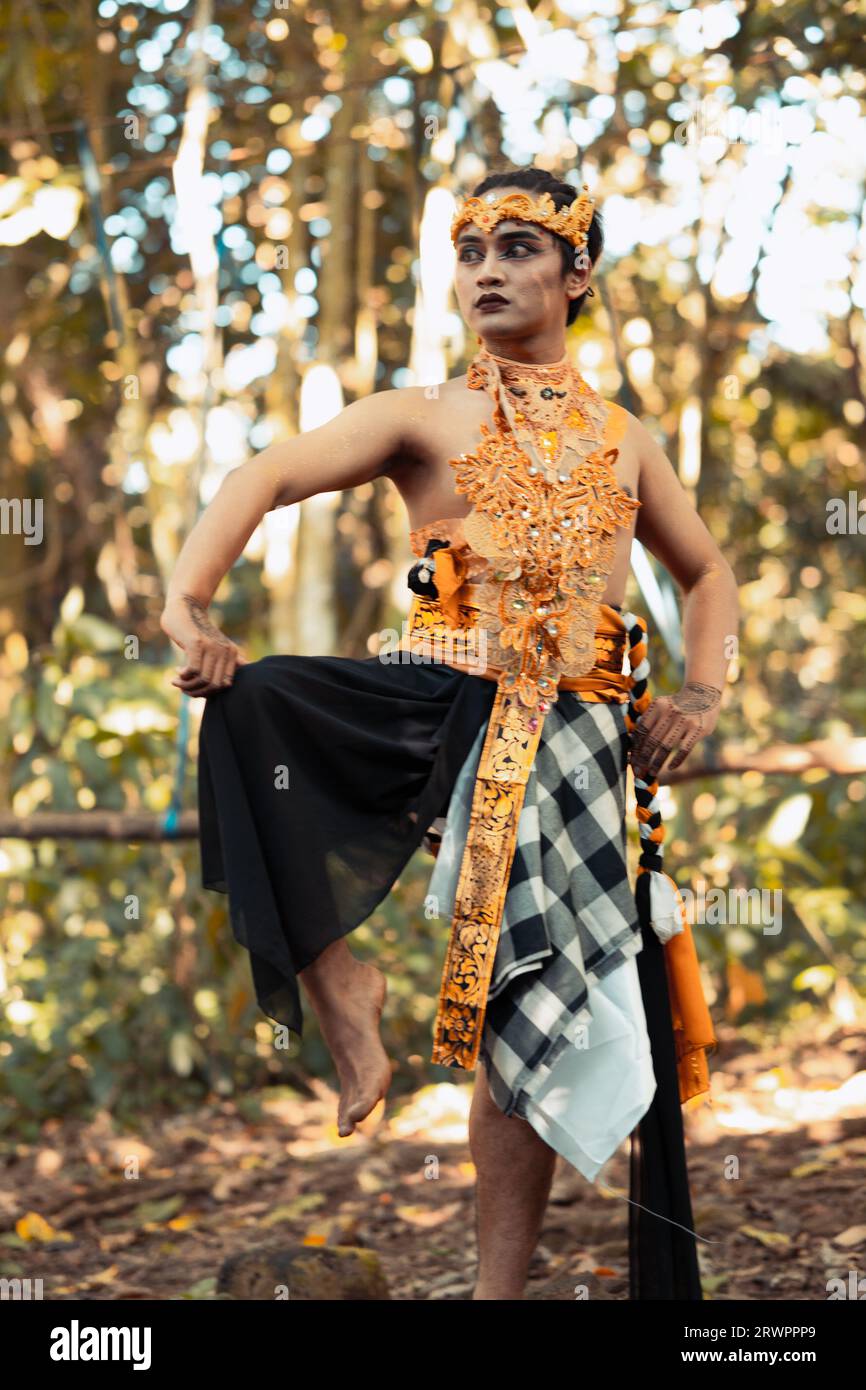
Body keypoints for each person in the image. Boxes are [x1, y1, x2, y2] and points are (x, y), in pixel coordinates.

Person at [160, 165, 740, 1300]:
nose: (486, 269)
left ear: (576, 274)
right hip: (437, 699)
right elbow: (265, 472)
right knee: (251, 703)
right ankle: (339, 986)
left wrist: (702, 697)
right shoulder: (420, 415)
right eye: (470, 250)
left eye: (517, 248)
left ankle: (496, 1298)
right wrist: (186, 606)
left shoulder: (623, 439)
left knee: (526, 994)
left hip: (570, 730)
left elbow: (707, 570)